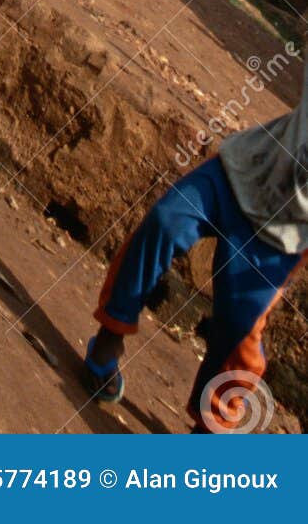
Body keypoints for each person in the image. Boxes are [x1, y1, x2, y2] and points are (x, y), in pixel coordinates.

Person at [84, 56, 308, 431]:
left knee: (240, 327)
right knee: (164, 223)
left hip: (281, 237)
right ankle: (109, 337)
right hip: (239, 172)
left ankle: (209, 427)